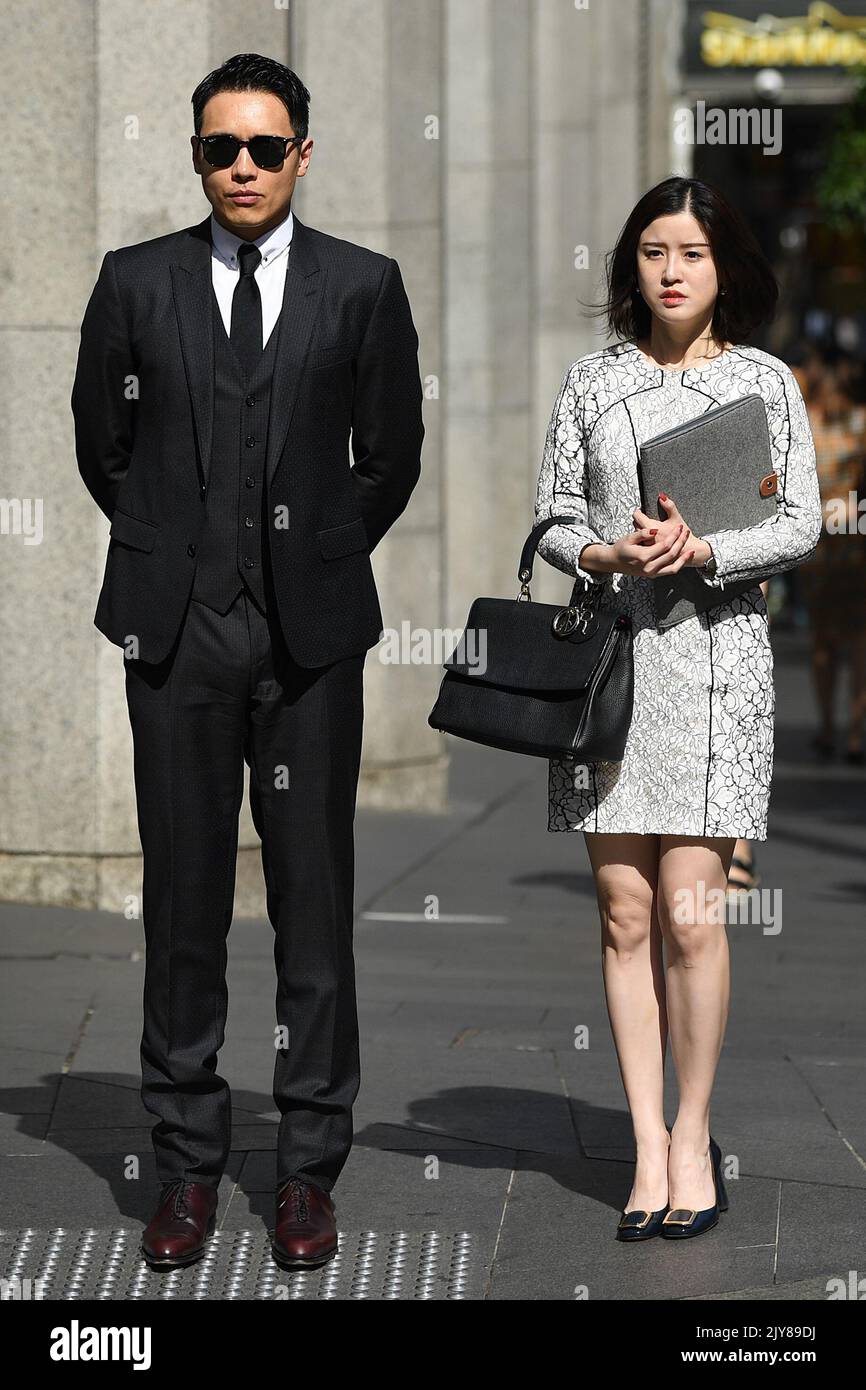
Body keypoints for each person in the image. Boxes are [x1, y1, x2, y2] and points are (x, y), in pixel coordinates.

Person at [71, 52, 424, 1272]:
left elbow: (390, 455)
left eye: (264, 148)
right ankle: (183, 1167)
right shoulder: (134, 283)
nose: (241, 168)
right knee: (181, 908)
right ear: (195, 156)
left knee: (312, 906)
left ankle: (307, 1171)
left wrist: (317, 559)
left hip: (310, 644)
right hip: (177, 637)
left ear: (302, 156)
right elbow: (102, 448)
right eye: (219, 148)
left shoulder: (362, 287)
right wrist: (179, 546)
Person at [534, 176, 822, 1241]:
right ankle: (644, 1142)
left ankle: (692, 1131)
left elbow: (800, 523)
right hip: (610, 671)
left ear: (723, 268)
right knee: (621, 913)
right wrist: (604, 549)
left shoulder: (764, 381)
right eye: (652, 250)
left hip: (715, 666)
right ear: (628, 267)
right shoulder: (590, 383)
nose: (669, 269)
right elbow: (551, 518)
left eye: (690, 252)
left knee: (692, 915)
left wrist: (703, 548)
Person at [795, 346, 866, 764]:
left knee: (836, 640)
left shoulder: (810, 424)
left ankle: (838, 728)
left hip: (837, 543)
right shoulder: (852, 425)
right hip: (838, 540)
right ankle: (843, 730)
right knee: (847, 639)